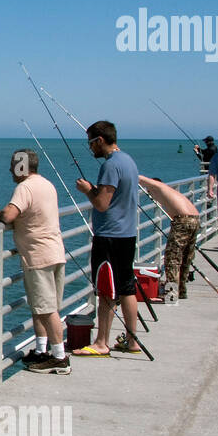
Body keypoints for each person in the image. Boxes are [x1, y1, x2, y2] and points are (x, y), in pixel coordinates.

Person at [0, 149, 70, 374]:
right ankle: (42, 350)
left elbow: (9, 215)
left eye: (13, 165)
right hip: (55, 252)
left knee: (47, 308)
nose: (10, 169)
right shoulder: (46, 184)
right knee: (40, 306)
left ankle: (60, 358)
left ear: (22, 167)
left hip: (38, 256)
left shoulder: (25, 187)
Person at [72, 120, 141, 356]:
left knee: (105, 289)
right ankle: (133, 342)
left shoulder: (111, 166)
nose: (90, 148)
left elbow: (101, 203)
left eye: (91, 143)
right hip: (127, 233)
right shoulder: (129, 161)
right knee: (126, 288)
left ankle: (101, 342)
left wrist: (88, 189)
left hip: (110, 236)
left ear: (100, 140)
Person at [139, 176, 201, 300]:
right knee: (185, 258)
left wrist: (128, 173)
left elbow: (142, 179)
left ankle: (171, 294)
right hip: (194, 219)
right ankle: (181, 291)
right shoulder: (170, 191)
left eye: (149, 192)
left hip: (183, 220)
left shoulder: (160, 187)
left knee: (172, 258)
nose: (150, 195)